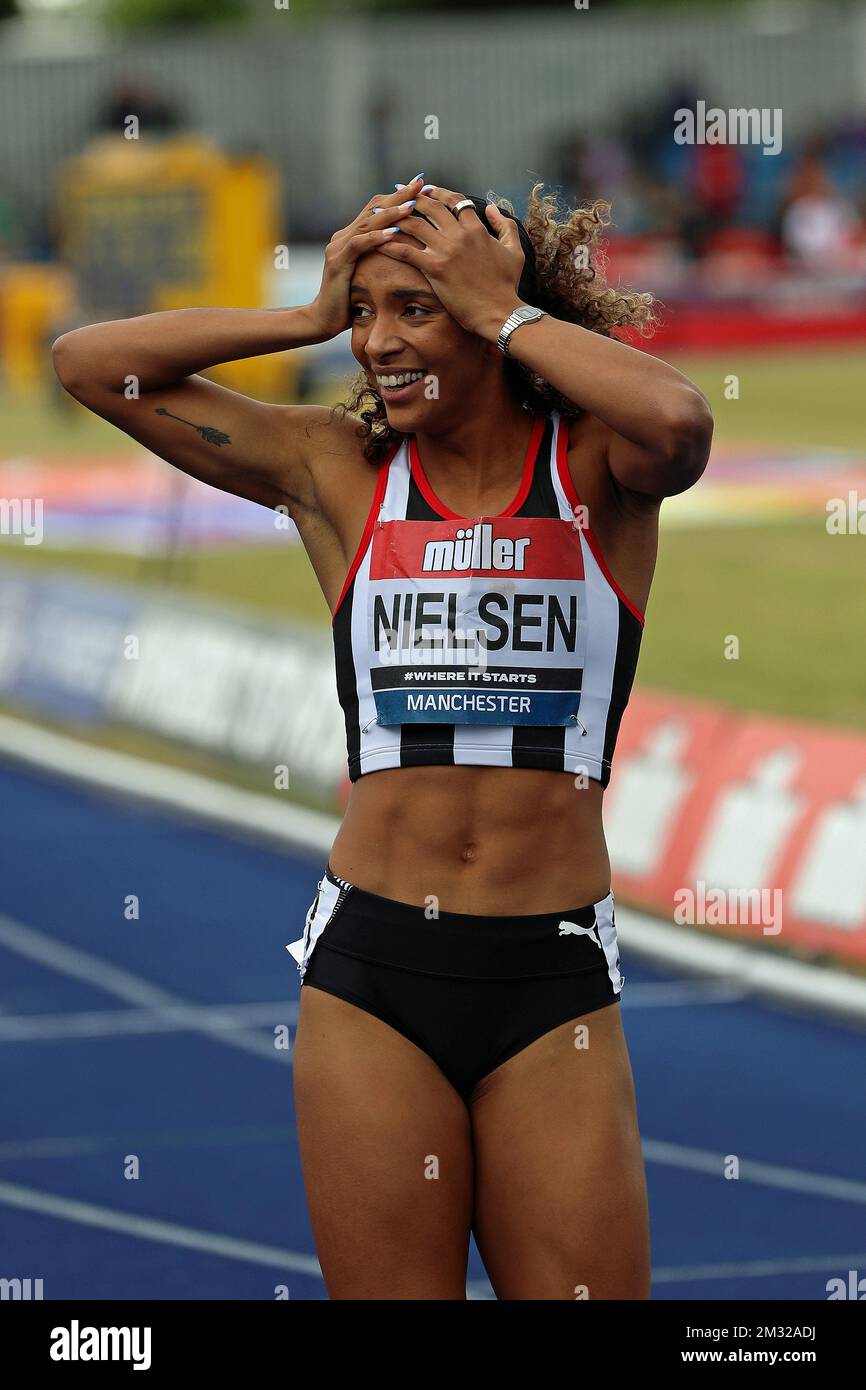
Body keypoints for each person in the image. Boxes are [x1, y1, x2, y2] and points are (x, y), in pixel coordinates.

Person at [51, 172, 713, 1300]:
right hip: (374, 977)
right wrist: (302, 316)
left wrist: (503, 309)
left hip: (550, 976)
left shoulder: (596, 470)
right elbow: (86, 364)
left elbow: (682, 421)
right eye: (364, 313)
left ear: (490, 310)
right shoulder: (337, 470)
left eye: (416, 308)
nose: (378, 344)